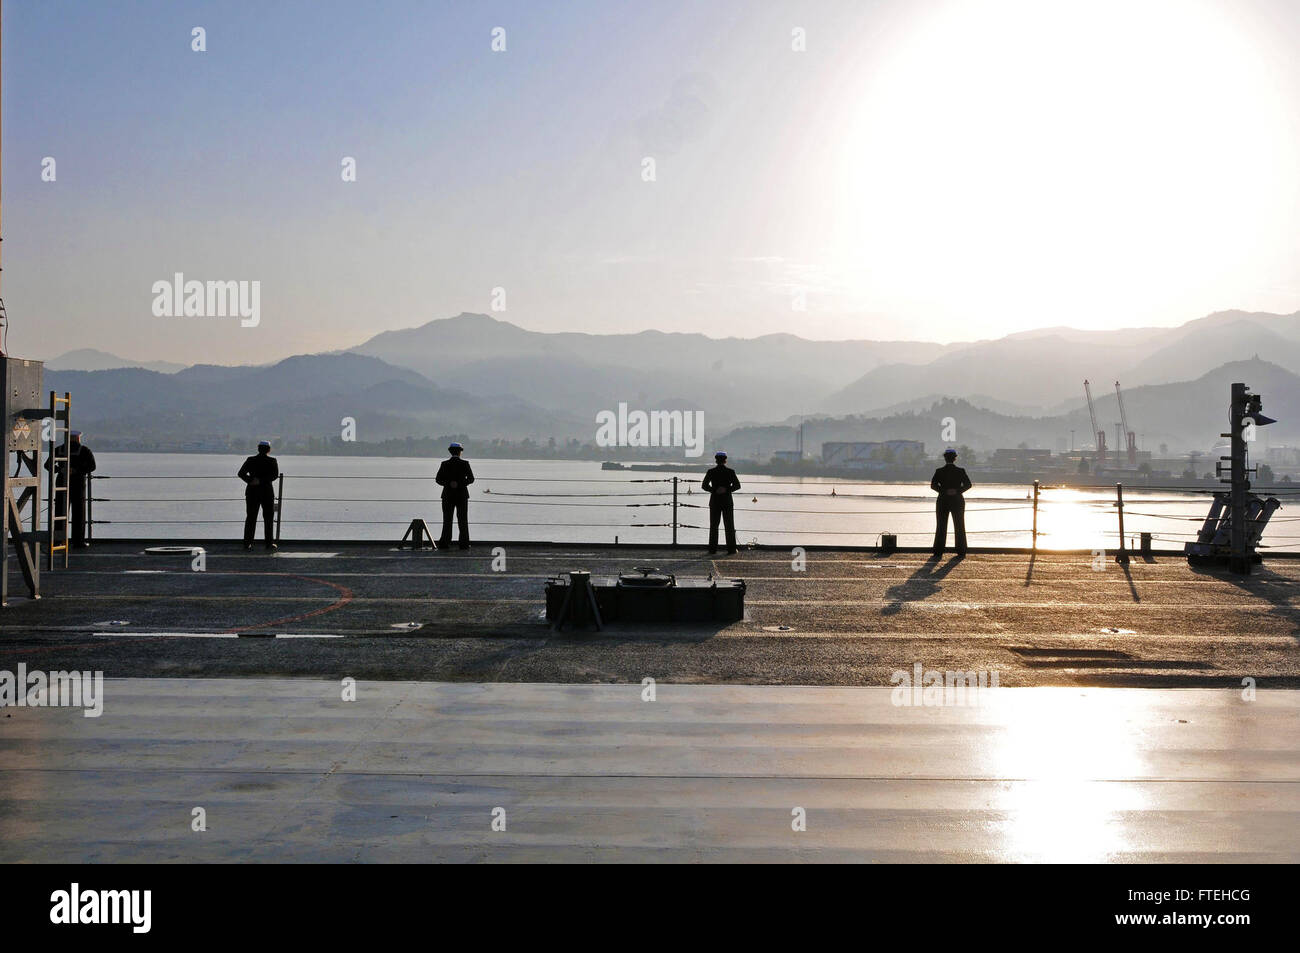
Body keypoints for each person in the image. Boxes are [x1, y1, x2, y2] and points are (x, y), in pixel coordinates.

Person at [45, 430, 97, 548]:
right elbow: (92, 466)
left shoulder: (59, 449)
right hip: (78, 484)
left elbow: (47, 465)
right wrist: (77, 470)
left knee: (60, 511)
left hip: (61, 483)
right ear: (78, 438)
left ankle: (59, 539)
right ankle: (78, 541)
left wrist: (59, 470)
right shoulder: (84, 450)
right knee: (79, 513)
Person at [238, 440, 279, 551]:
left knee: (251, 517)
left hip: (252, 492)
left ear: (258, 448)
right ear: (269, 450)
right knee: (268, 518)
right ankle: (269, 543)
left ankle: (247, 543)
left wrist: (251, 480)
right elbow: (274, 475)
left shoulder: (250, 460)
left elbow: (240, 473)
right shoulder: (272, 461)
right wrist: (261, 481)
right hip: (267, 492)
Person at [930, 448, 971, 557]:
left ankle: (938, 550)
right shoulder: (961, 471)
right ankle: (961, 550)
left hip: (942, 500)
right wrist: (957, 491)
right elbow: (968, 485)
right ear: (955, 458)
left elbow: (933, 485)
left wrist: (944, 491)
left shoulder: (939, 471)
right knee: (959, 525)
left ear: (944, 458)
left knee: (941, 526)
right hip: (958, 500)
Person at [435, 442, 475, 550]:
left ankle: (444, 542)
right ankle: (464, 544)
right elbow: (471, 479)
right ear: (460, 451)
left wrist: (448, 484)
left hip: (447, 495)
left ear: (450, 451)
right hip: (462, 495)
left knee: (447, 519)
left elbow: (438, 479)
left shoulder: (444, 464)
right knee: (463, 520)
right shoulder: (465, 464)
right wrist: (460, 484)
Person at [702, 450, 741, 555]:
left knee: (714, 525)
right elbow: (737, 486)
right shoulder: (730, 472)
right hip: (727, 501)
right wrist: (727, 490)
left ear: (716, 460)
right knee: (729, 525)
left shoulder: (711, 472)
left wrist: (714, 490)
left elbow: (704, 486)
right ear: (725, 461)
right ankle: (731, 549)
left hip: (714, 501)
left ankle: (712, 549)